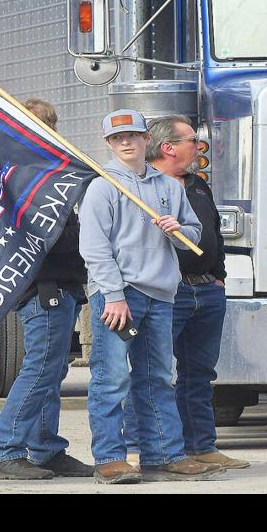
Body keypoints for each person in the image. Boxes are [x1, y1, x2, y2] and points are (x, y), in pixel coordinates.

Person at [78, 109, 219, 485]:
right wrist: (113, 295)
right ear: (109, 144)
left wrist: (177, 230)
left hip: (162, 294)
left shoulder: (170, 188)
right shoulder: (103, 186)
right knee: (110, 379)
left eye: (132, 136)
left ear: (146, 140)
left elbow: (193, 231)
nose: (125, 143)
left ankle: (164, 454)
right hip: (121, 296)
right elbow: (94, 249)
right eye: (116, 139)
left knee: (158, 377)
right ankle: (109, 458)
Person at [0, 98, 92, 481]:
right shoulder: (21, 179)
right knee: (40, 370)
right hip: (43, 287)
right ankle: (5, 452)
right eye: (38, 126)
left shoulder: (44, 173)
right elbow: (42, 237)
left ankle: (46, 449)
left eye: (49, 124)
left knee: (51, 371)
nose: (47, 132)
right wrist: (86, 236)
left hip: (60, 286)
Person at [143, 115, 248, 471]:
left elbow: (214, 232)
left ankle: (201, 446)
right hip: (166, 292)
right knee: (151, 372)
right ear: (168, 147)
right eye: (192, 141)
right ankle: (143, 449)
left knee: (199, 373)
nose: (198, 147)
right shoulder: (141, 187)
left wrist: (218, 276)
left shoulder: (198, 185)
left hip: (206, 292)